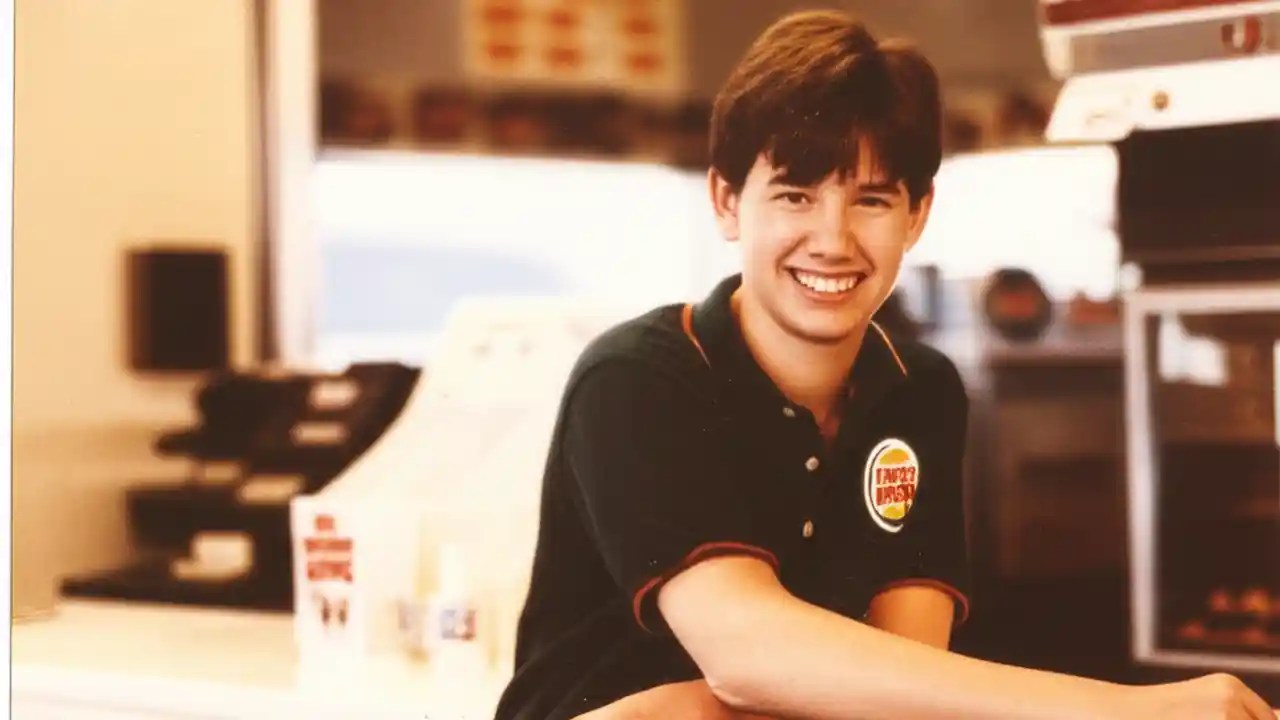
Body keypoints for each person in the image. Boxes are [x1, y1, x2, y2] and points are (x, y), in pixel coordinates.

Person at [492, 10, 1275, 720]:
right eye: (796, 196)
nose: (832, 239)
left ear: (917, 215)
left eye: (869, 199)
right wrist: (1124, 712)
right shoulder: (639, 378)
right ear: (727, 203)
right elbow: (747, 660)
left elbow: (907, 680)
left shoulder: (919, 391)